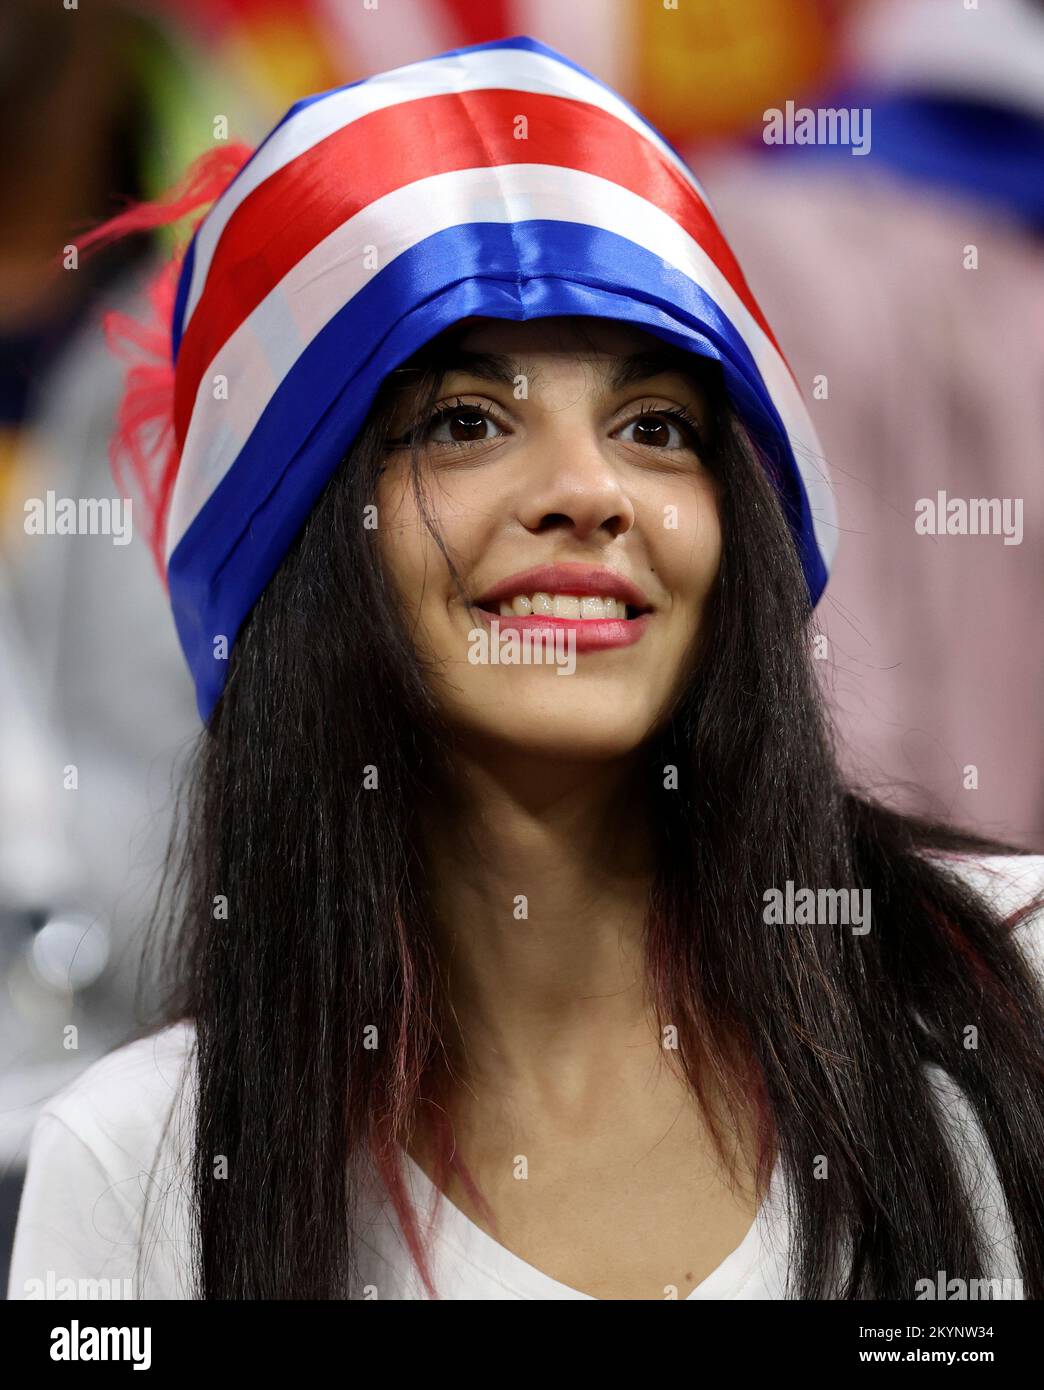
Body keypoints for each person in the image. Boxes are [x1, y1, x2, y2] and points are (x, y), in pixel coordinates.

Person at [8, 35, 1044, 1302]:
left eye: (655, 427)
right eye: (467, 422)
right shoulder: (135, 1167)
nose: (587, 492)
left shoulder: (1014, 985)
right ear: (295, 544)